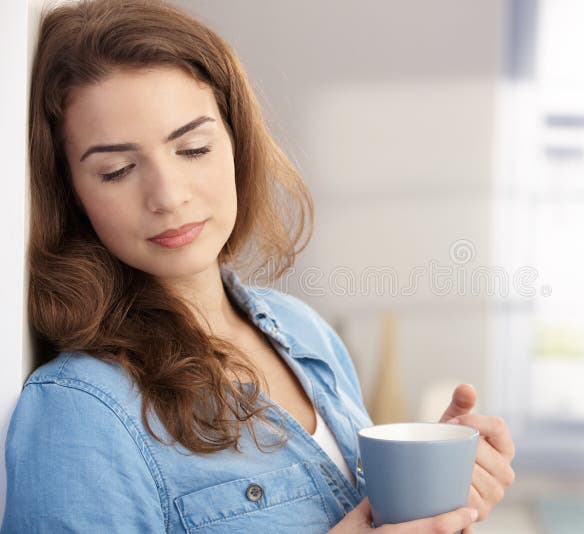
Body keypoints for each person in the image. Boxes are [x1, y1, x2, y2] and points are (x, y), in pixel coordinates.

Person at [1, 0, 516, 532]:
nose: (168, 196)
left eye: (194, 149)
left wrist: (432, 489)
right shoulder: (79, 411)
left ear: (235, 141)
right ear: (73, 193)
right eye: (118, 170)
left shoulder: (303, 332)